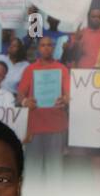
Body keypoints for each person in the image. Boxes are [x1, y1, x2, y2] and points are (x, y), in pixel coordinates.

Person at [16, 35, 71, 182]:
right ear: (39, 49)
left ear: (53, 48)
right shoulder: (30, 69)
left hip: (56, 126)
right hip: (34, 126)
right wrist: (25, 101)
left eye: (49, 45)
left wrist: (65, 100)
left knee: (55, 170)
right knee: (33, 170)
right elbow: (20, 95)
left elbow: (69, 94)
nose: (46, 48)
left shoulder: (62, 69)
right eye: (43, 45)